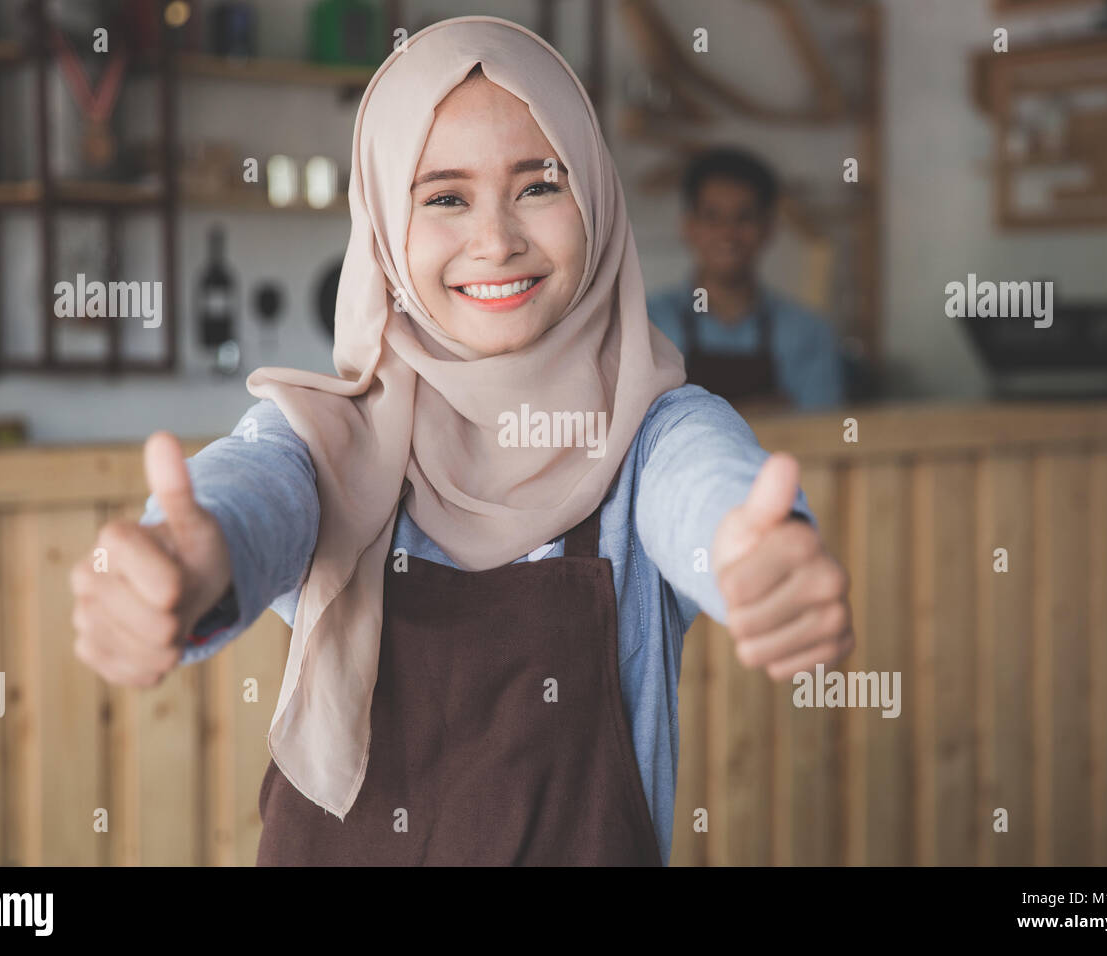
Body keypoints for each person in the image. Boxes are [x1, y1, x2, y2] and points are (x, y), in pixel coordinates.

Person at [67, 16, 854, 867]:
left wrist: (753, 555)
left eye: (539, 185)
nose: (496, 240)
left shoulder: (654, 434)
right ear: (383, 227)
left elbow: (710, 492)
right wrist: (190, 561)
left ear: (596, 194)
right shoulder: (324, 439)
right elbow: (250, 491)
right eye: (445, 196)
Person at [647, 147, 846, 409]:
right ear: (689, 226)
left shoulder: (807, 332)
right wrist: (771, 408)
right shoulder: (650, 323)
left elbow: (823, 432)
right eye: (712, 217)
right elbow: (639, 425)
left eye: (744, 218)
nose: (728, 234)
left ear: (768, 228)